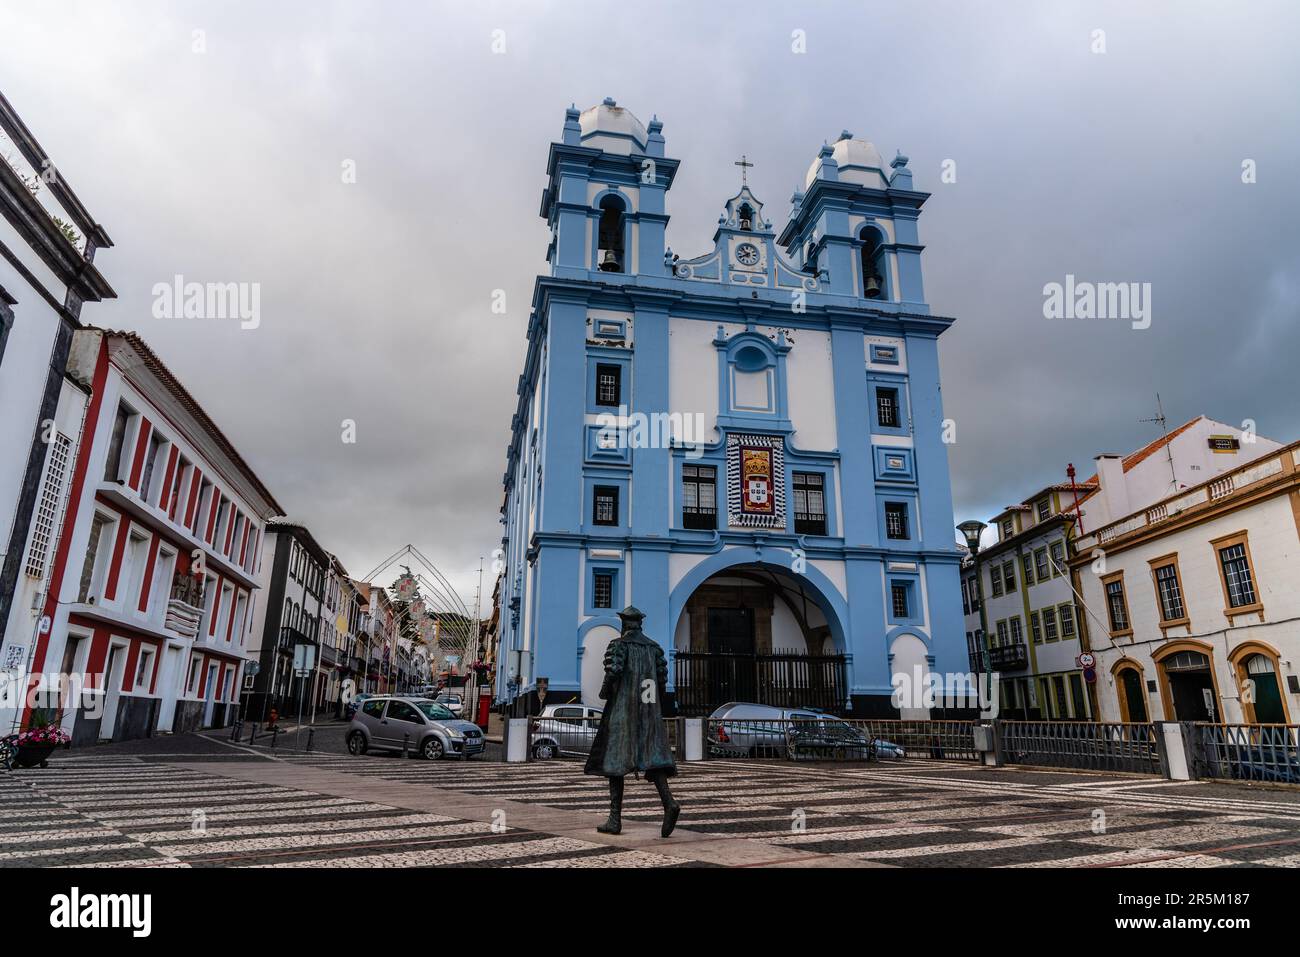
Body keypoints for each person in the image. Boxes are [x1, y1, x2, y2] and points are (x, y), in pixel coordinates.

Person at [583, 606, 681, 837]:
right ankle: (669, 803)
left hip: (623, 710)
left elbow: (614, 670)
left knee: (614, 765)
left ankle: (615, 819)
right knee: (652, 759)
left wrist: (605, 691)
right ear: (641, 624)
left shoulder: (619, 645)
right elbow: (662, 679)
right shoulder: (655, 648)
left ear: (624, 624)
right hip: (649, 710)